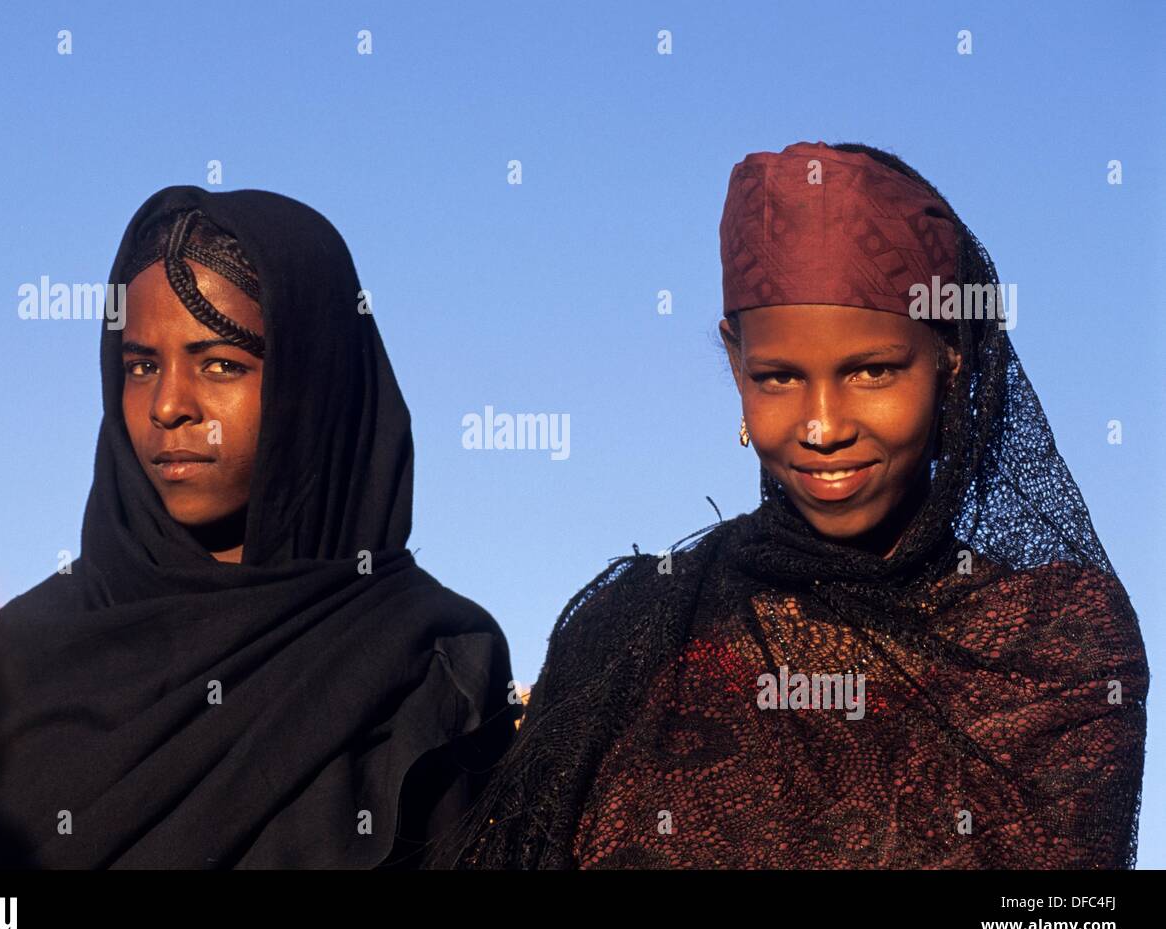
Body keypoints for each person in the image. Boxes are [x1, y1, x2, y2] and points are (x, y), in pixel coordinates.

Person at [426, 141, 1149, 869]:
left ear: (950, 360)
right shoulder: (627, 636)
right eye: (777, 378)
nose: (823, 426)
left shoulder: (1046, 643)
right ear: (735, 362)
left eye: (873, 371)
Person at [0, 187, 519, 869]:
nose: (167, 405)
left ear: (314, 383)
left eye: (221, 363)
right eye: (141, 366)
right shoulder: (25, 657)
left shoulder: (432, 658)